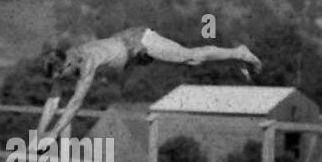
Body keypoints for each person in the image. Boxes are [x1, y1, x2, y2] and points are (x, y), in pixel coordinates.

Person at [36, 26, 262, 142]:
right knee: (188, 63)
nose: (61, 81)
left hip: (139, 41)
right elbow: (52, 102)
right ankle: (233, 59)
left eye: (61, 77)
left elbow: (75, 103)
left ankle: (239, 52)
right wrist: (37, 137)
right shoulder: (64, 66)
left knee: (191, 57)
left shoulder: (87, 61)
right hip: (128, 54)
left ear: (65, 65)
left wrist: (53, 134)